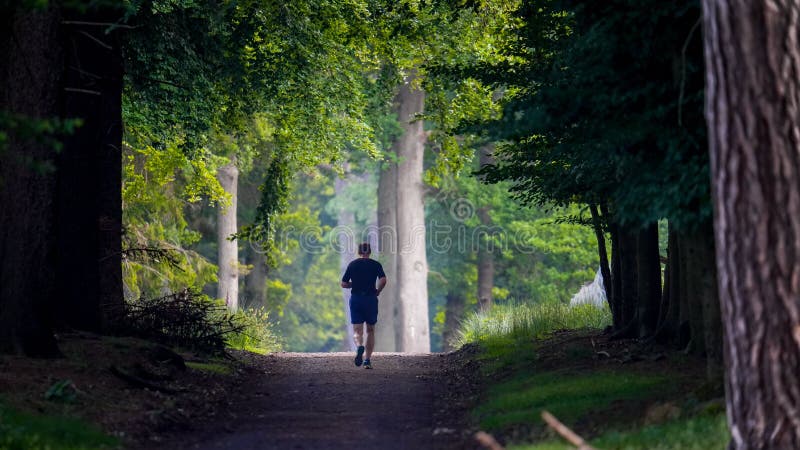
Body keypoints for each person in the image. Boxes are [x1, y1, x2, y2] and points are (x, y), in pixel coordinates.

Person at [340, 242, 386, 369]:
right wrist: (378, 290)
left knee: (357, 331)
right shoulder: (376, 265)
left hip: (356, 300)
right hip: (371, 299)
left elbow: (343, 283)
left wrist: (353, 284)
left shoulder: (353, 265)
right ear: (369, 252)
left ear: (359, 252)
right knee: (370, 330)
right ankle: (367, 360)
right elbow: (383, 280)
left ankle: (359, 346)